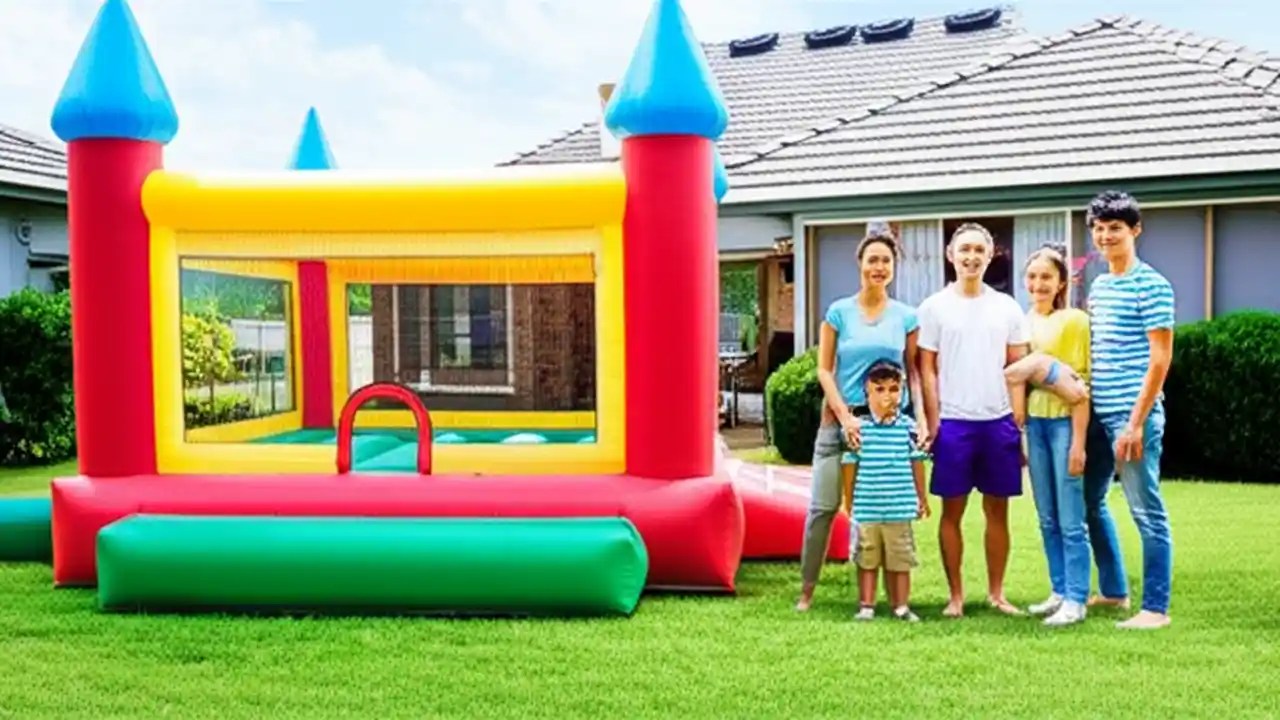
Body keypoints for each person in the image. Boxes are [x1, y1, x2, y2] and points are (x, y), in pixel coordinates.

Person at [795, 222, 927, 612]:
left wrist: (919, 417)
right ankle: (807, 590)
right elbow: (824, 370)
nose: (879, 267)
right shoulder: (838, 312)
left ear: (894, 267)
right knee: (822, 507)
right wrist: (845, 416)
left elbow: (914, 372)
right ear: (860, 264)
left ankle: (889, 599)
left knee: (887, 509)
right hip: (839, 423)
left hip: (886, 431)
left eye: (886, 261)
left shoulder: (906, 316)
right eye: (873, 260)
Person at [917, 222, 1028, 618]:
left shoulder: (1007, 307)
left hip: (998, 422)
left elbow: (1018, 367)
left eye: (979, 250)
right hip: (954, 424)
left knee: (998, 511)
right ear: (951, 254)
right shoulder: (933, 308)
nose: (971, 257)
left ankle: (997, 594)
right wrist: (932, 420)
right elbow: (926, 369)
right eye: (964, 250)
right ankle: (956, 597)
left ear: (990, 254)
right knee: (952, 513)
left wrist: (1019, 424)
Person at [1081, 190, 1176, 630]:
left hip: (1131, 419)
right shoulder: (1100, 286)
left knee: (1146, 510)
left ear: (1135, 230)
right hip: (1099, 417)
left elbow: (1160, 359)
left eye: (1114, 228)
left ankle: (1155, 608)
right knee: (1088, 501)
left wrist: (1136, 424)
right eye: (1099, 229)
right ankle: (1115, 591)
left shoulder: (1152, 285)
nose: (1105, 236)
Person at [1004, 244, 1093, 626]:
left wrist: (1078, 442)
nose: (1038, 284)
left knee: (1071, 518)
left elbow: (1080, 385)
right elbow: (1016, 377)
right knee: (1047, 517)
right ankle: (1058, 589)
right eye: (1032, 277)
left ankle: (1077, 598)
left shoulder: (1074, 320)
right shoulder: (1022, 322)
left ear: (1061, 283)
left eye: (1046, 277)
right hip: (1035, 427)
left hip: (1063, 426)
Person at [840, 359, 930, 622]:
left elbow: (917, 463)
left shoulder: (908, 428)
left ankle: (900, 605)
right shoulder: (859, 430)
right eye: (879, 389)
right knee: (867, 558)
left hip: (899, 507)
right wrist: (849, 501)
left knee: (900, 559)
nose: (887, 396)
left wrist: (921, 498)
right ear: (866, 393)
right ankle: (866, 605)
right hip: (867, 507)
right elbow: (849, 466)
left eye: (893, 389)